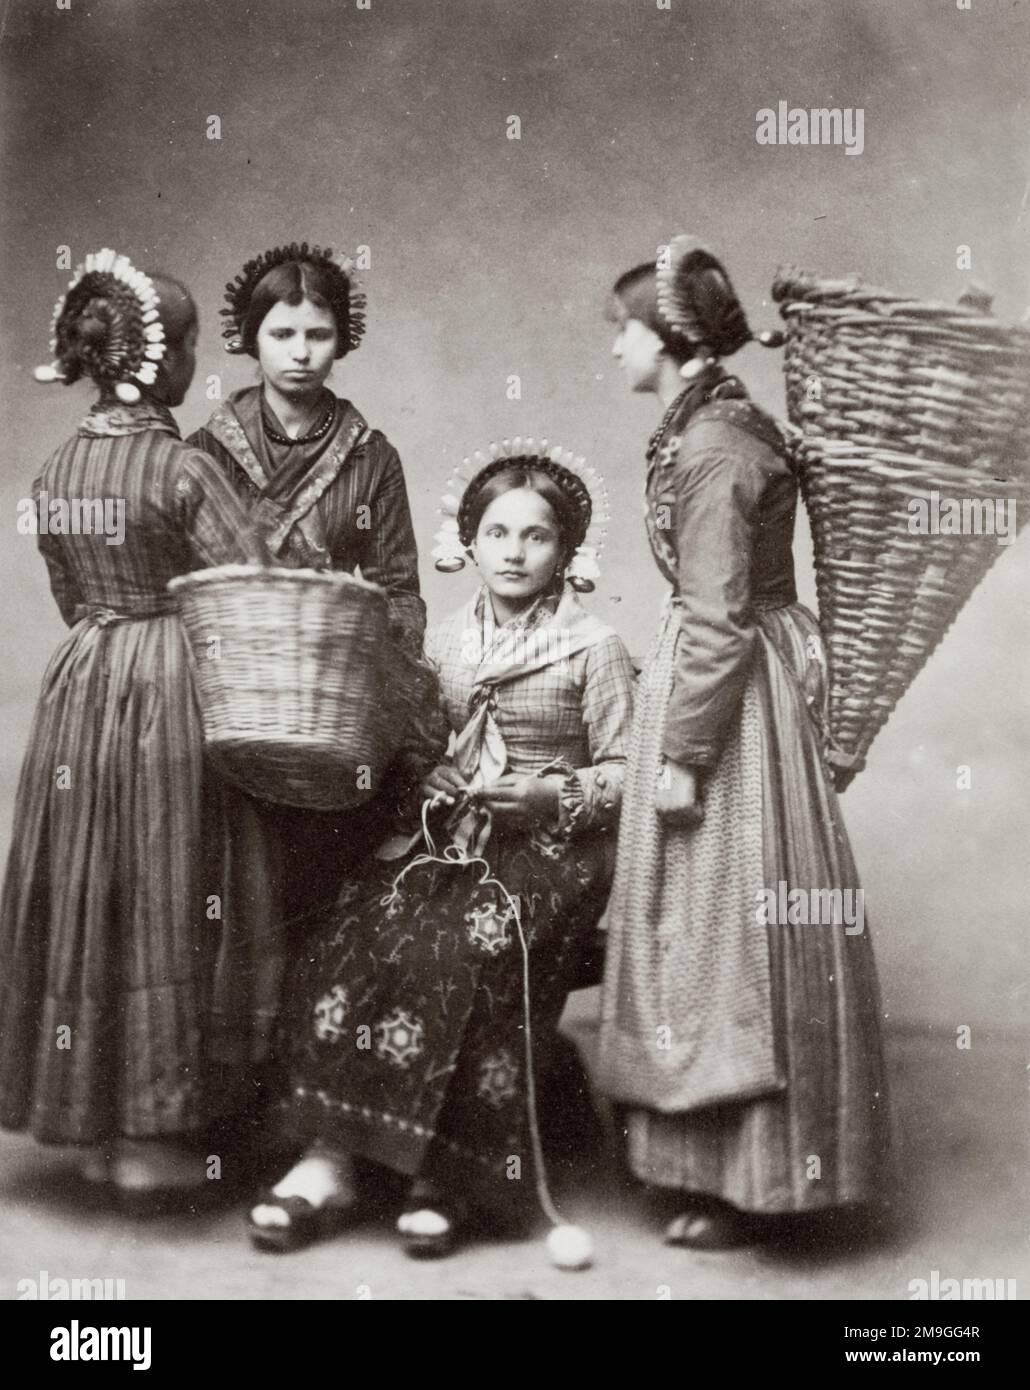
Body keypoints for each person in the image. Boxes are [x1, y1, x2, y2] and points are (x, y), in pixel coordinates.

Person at [248, 442, 636, 1256]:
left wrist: (548, 795)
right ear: (469, 542)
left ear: (566, 549)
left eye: (535, 537)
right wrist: (422, 784)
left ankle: (448, 1172)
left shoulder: (592, 647)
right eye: (496, 533)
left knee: (464, 948)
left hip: (552, 853)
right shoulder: (443, 643)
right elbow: (414, 746)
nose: (515, 552)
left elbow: (630, 772)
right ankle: (331, 1159)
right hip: (447, 842)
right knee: (351, 935)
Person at [596, 236, 891, 1248]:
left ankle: (755, 1182)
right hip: (735, 672)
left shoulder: (716, 446)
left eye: (622, 333)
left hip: (729, 694)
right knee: (718, 932)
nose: (615, 353)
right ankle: (716, 1170)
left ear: (671, 339)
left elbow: (719, 617)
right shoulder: (712, 425)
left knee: (727, 937)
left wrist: (681, 753)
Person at [0, 249, 272, 1208]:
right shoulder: (188, 463)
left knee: (93, 885)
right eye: (192, 342)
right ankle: (158, 1132)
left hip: (83, 678)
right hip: (171, 677)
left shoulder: (54, 465)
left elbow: (71, 592)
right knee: (169, 882)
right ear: (162, 359)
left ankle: (97, 1126)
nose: (197, 360)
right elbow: (248, 588)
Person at [189, 241, 426, 926]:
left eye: (318, 335)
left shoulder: (371, 457)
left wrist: (382, 686)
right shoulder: (204, 452)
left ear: (342, 341)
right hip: (233, 700)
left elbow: (399, 589)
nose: (300, 352)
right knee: (229, 886)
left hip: (331, 705)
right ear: (250, 339)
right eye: (282, 333)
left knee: (320, 886)